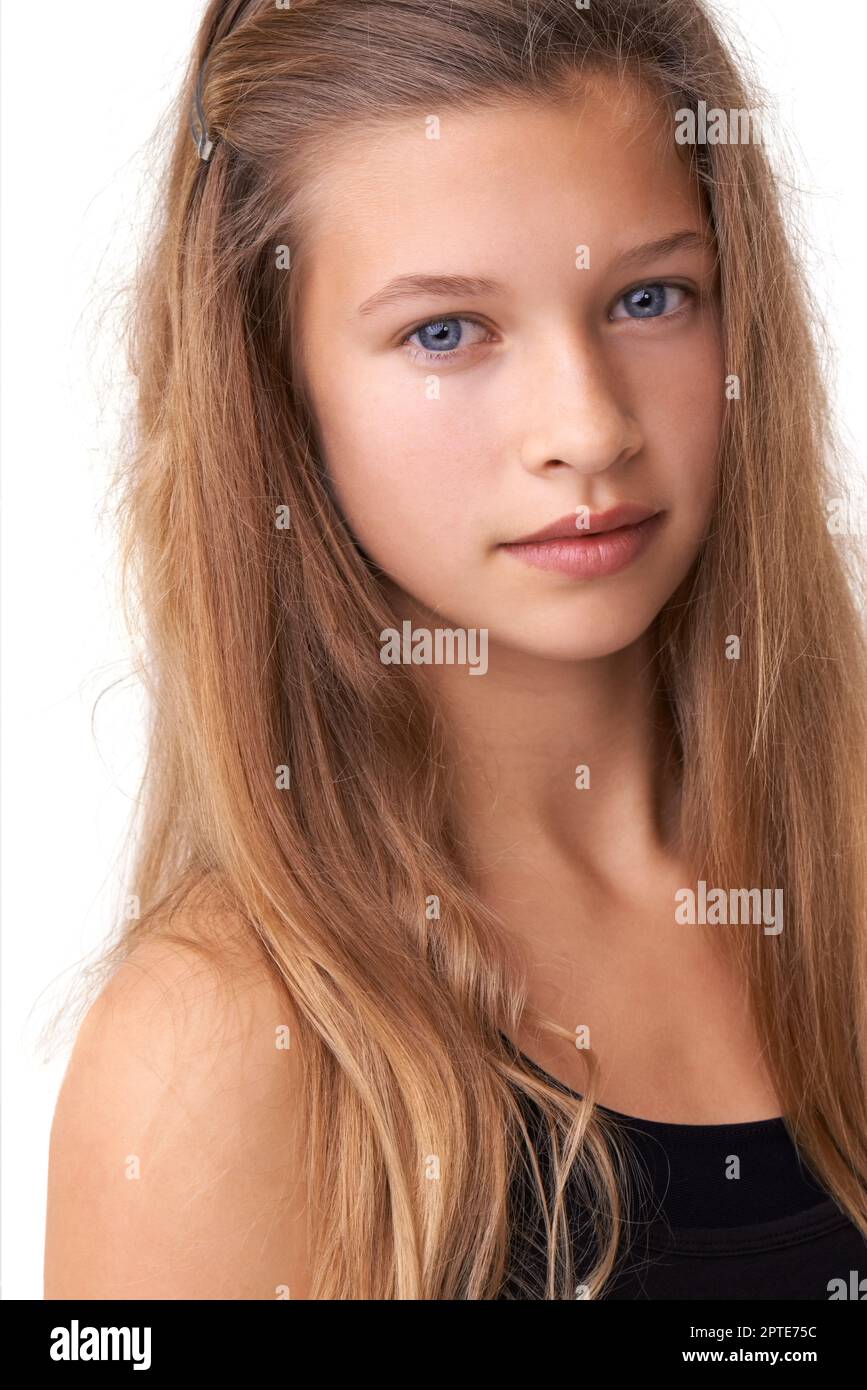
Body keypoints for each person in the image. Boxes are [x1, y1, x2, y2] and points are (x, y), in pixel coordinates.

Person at [44, 0, 867, 1300]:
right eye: (446, 332)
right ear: (276, 387)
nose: (587, 428)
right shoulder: (218, 1057)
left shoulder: (845, 876)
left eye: (649, 297)